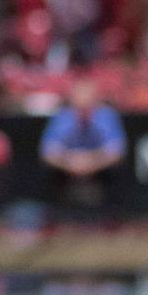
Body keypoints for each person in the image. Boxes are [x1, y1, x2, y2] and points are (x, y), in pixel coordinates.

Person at [39, 79, 126, 223]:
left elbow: (116, 151)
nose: (83, 109)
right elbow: (48, 152)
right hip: (68, 166)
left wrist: (91, 162)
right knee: (47, 171)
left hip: (99, 166)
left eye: (88, 104)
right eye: (79, 105)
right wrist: (70, 163)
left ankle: (113, 219)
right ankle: (54, 219)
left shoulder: (107, 116)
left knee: (118, 170)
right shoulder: (62, 116)